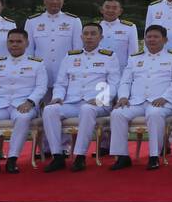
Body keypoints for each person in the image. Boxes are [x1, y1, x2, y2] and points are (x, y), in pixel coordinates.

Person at [41, 22, 119, 173]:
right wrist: (57, 97)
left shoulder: (109, 57)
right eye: (86, 34)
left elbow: (114, 83)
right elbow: (61, 82)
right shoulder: (71, 56)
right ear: (81, 36)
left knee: (87, 109)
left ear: (100, 37)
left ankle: (80, 156)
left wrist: (100, 99)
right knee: (50, 110)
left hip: (97, 103)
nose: (89, 37)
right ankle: (57, 155)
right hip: (72, 102)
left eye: (93, 34)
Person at [108, 25, 172, 171]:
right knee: (117, 113)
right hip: (137, 101)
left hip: (163, 103)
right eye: (149, 37)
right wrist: (124, 97)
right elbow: (125, 81)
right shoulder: (135, 58)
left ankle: (154, 156)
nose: (151, 39)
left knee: (154, 113)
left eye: (156, 37)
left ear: (165, 40)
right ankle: (122, 156)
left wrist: (165, 97)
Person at [0, 28, 46, 175]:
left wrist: (30, 102)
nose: (14, 44)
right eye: (11, 41)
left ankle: (12, 159)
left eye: (19, 41)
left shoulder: (37, 63)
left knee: (22, 118)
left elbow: (41, 87)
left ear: (26, 43)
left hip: (23, 105)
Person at [25, 0, 83, 100]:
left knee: (63, 109)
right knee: (40, 111)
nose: (54, 1)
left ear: (63, 0)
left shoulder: (74, 21)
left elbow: (78, 51)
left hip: (65, 74)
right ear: (44, 0)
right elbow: (28, 50)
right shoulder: (32, 21)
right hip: (41, 74)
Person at [97, 0, 140, 75]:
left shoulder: (129, 27)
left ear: (120, 11)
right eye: (107, 7)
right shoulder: (95, 27)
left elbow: (133, 54)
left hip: (120, 72)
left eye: (114, 8)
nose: (110, 10)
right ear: (101, 10)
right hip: (98, 72)